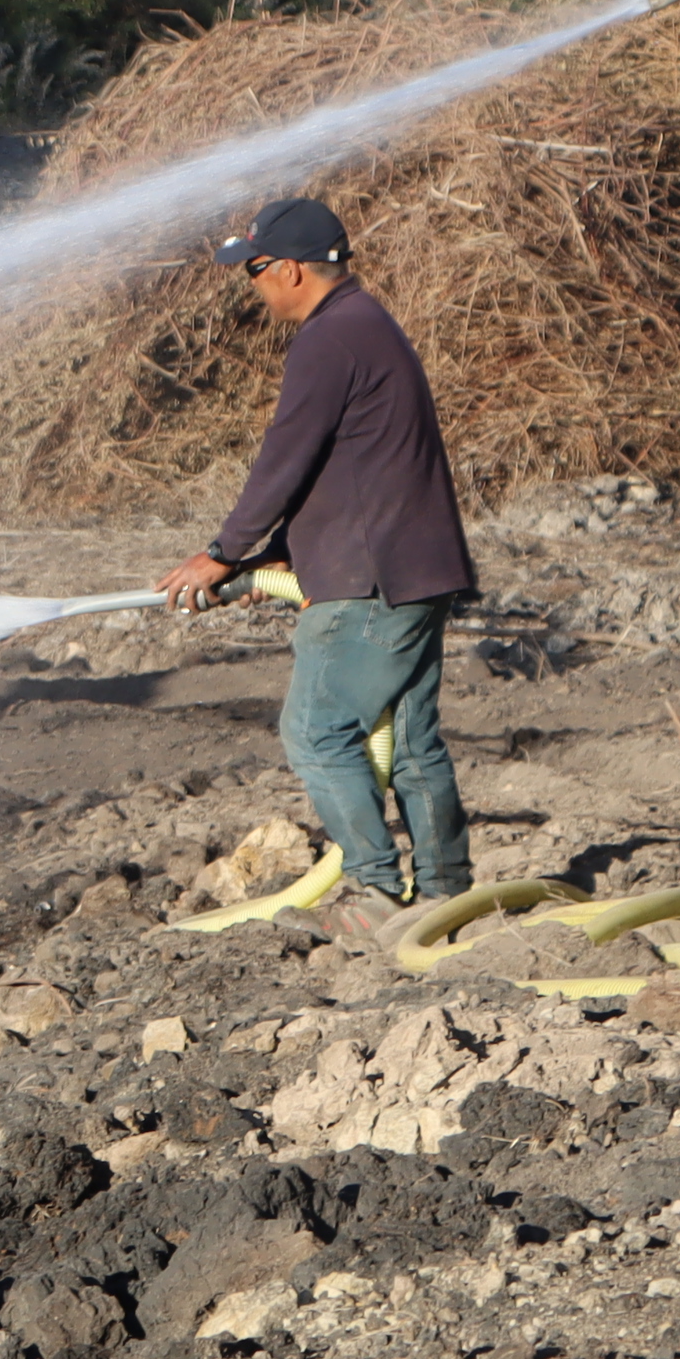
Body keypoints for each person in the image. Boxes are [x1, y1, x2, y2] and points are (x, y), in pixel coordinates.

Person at [155, 196, 477, 944]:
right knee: (415, 738)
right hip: (417, 568)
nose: (255, 287)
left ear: (291, 269)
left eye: (257, 271)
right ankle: (446, 893)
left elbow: (286, 456)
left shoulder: (329, 341)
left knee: (317, 731)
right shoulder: (369, 326)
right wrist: (283, 558)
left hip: (372, 582)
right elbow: (357, 466)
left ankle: (371, 892)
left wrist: (224, 552)